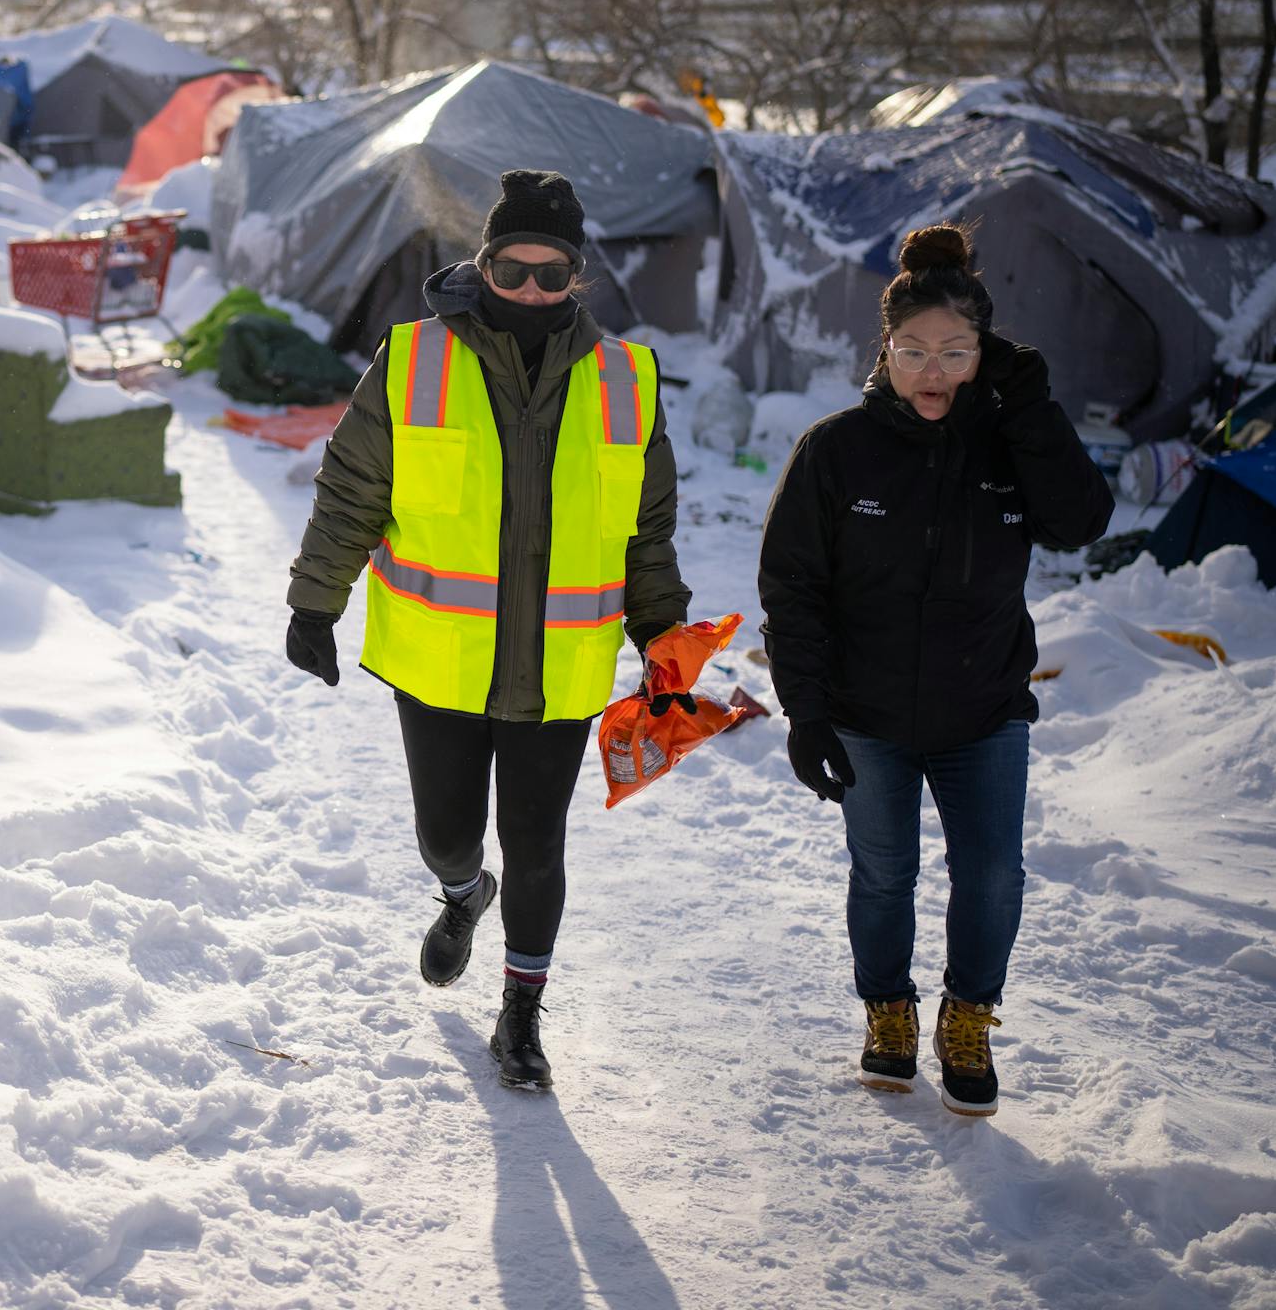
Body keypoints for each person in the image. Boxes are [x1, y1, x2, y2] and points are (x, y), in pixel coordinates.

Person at [285, 169, 692, 1092]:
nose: (532, 291)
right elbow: (353, 490)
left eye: (554, 274)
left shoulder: (627, 380)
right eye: (513, 270)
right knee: (447, 834)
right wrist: (315, 602)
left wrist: (663, 638)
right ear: (485, 264)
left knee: (538, 842)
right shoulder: (413, 360)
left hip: (562, 667)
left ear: (578, 277)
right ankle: (465, 893)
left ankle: (521, 1014)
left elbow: (648, 529)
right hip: (441, 661)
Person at [758, 225, 1113, 1117]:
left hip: (984, 708)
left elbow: (1080, 523)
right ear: (885, 349)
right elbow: (792, 588)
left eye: (957, 352)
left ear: (984, 354)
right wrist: (806, 713)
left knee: (993, 877)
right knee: (883, 875)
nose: (933, 371)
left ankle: (968, 1016)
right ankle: (888, 1011)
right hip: (866, 714)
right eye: (914, 350)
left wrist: (1031, 412)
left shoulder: (1009, 441)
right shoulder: (836, 449)